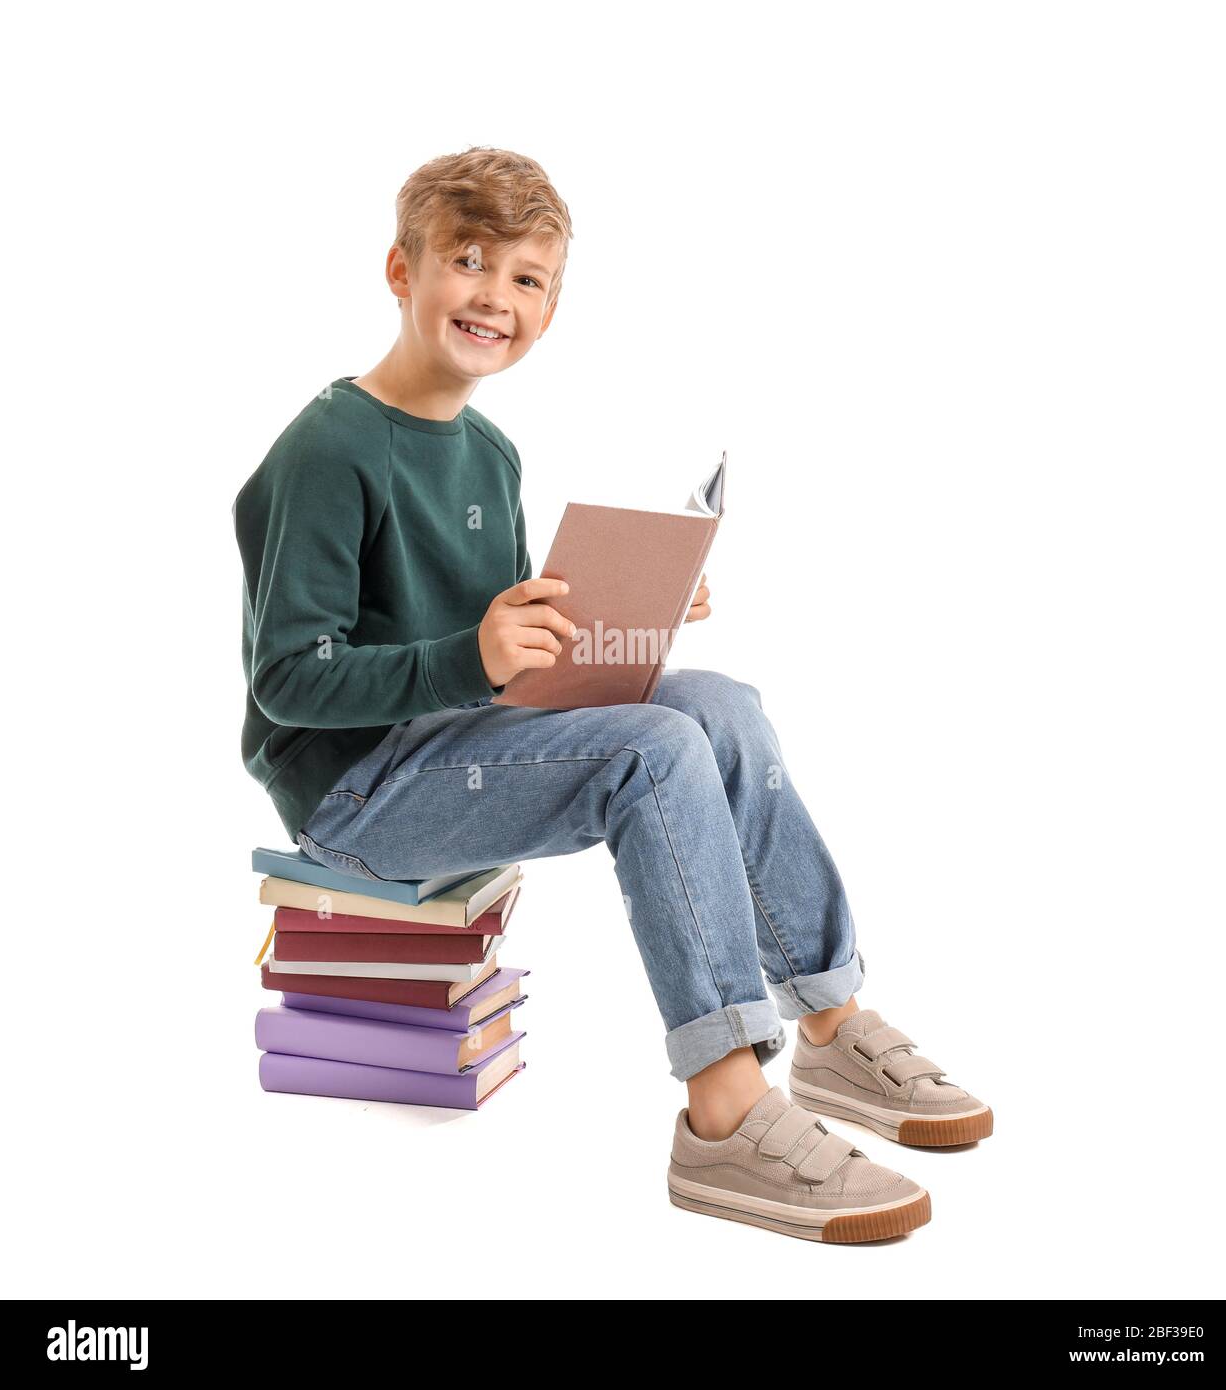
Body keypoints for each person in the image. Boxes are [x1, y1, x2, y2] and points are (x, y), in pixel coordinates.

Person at [233, 146, 992, 1245]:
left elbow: (483, 643)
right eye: (469, 261)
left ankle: (830, 1024)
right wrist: (476, 660)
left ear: (551, 305)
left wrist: (616, 617)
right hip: (359, 791)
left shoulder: (487, 448)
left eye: (528, 278)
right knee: (652, 750)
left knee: (716, 704)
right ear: (402, 272)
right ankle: (725, 1107)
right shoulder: (328, 450)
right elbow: (289, 680)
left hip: (463, 738)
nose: (496, 296)